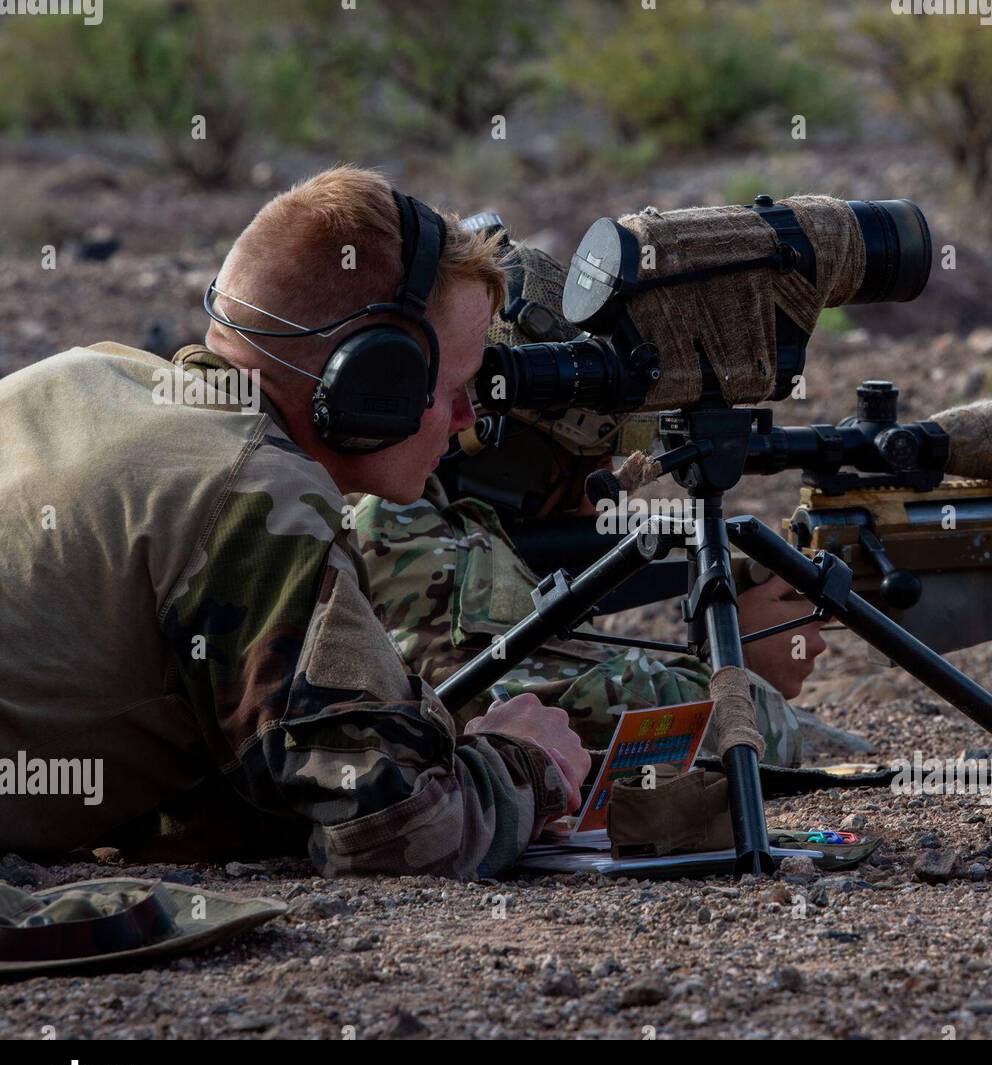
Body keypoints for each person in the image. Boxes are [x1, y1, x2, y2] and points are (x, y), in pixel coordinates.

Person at [0, 166, 589, 878]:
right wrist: (525, 762)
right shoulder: (253, 489)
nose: (468, 421)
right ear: (371, 381)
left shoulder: (77, 378)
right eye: (455, 388)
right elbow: (396, 831)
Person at [355, 235, 828, 766]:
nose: (607, 485)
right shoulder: (403, 526)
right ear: (511, 456)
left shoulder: (403, 502)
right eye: (593, 459)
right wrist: (747, 669)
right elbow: (615, 724)